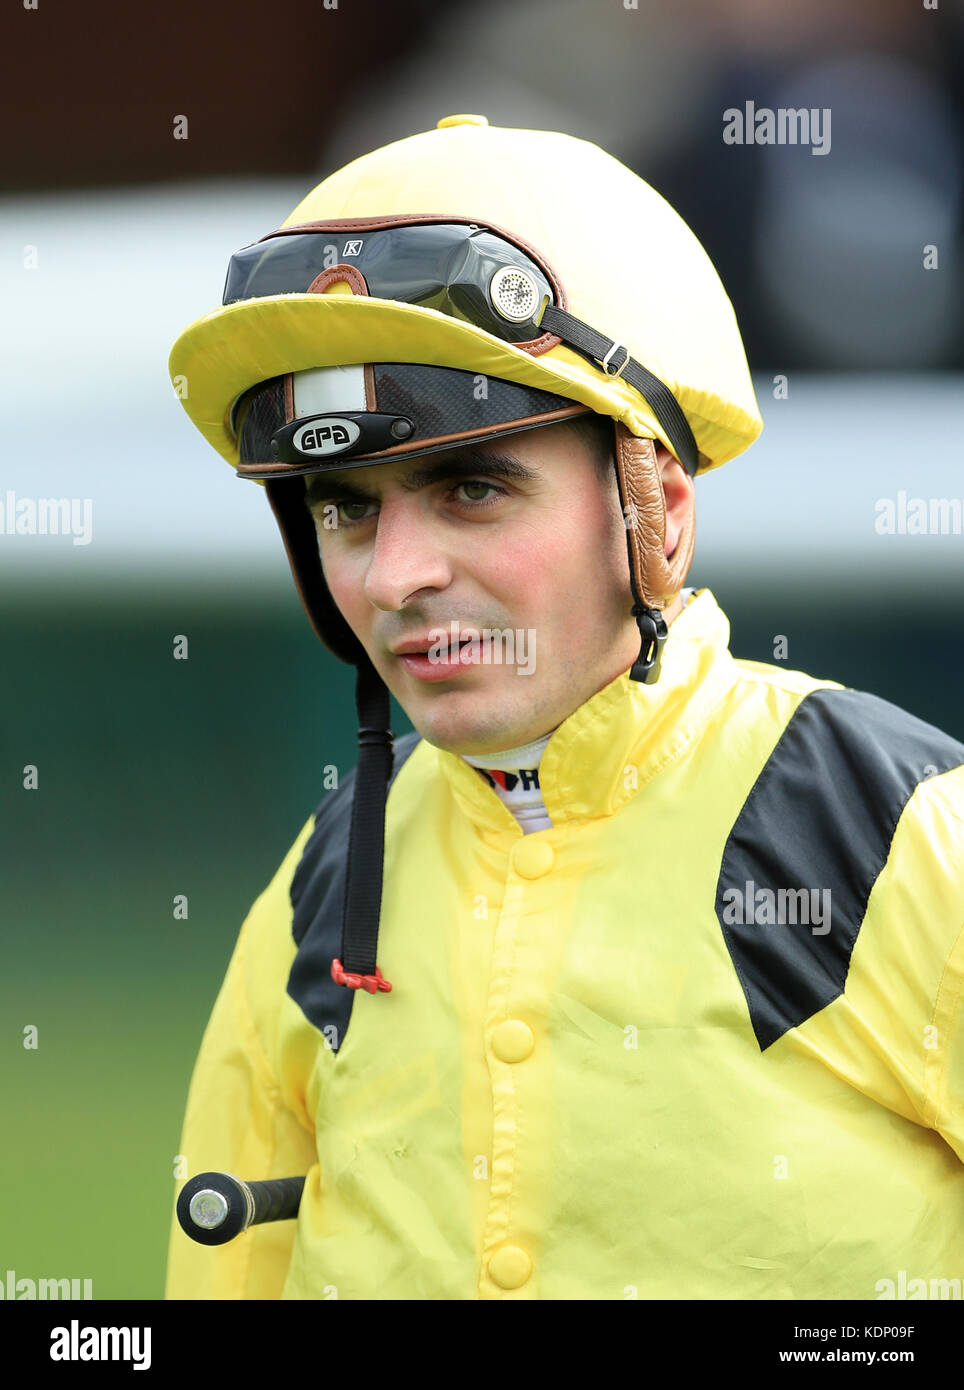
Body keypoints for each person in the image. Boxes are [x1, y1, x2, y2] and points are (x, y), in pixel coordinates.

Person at [165, 114, 964, 1301]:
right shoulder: (321, 889)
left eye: (472, 486)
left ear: (658, 507)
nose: (394, 577)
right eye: (345, 508)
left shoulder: (894, 829)